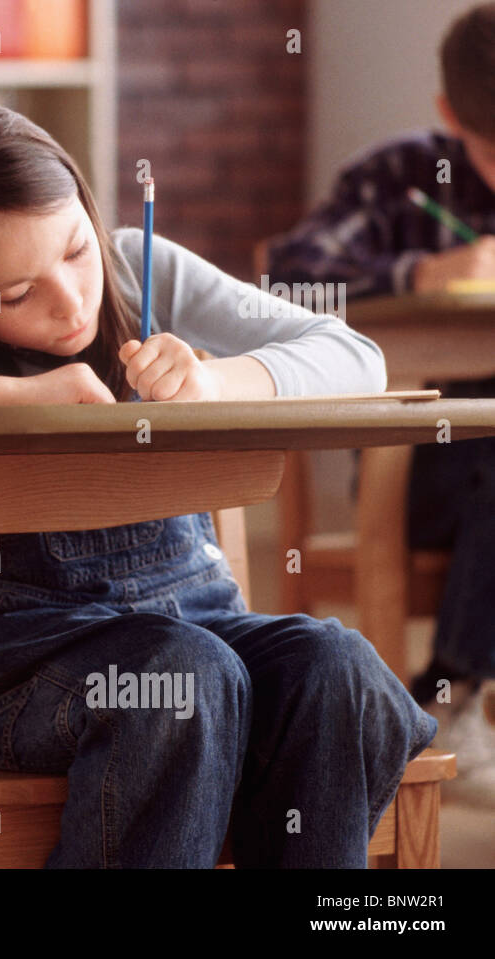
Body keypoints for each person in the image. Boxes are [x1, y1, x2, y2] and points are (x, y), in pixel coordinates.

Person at [0, 100, 438, 866]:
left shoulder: (139, 269)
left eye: (74, 250)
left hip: (205, 632)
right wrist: (10, 401)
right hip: (23, 672)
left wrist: (221, 381)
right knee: (181, 680)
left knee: (335, 668)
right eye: (15, 294)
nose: (72, 301)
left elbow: (357, 357)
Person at [266, 2, 495, 802]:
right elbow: (288, 280)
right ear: (447, 118)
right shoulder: (400, 177)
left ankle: (443, 689)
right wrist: (419, 275)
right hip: (417, 472)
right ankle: (452, 697)